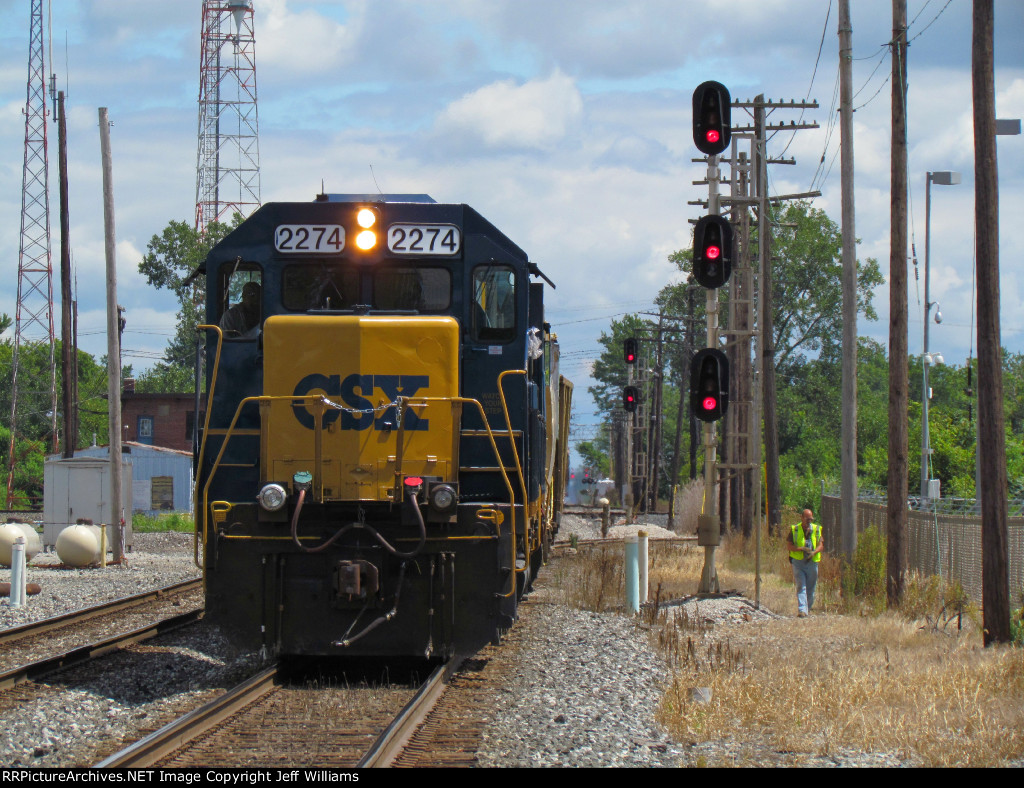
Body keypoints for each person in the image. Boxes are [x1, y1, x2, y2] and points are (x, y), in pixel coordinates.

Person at [786, 508, 824, 617]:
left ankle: (808, 607)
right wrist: (800, 548)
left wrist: (814, 552)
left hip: (812, 562)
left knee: (811, 587)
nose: (809, 520)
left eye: (811, 518)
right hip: (798, 563)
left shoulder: (816, 529)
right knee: (801, 585)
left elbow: (821, 545)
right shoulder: (795, 530)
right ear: (802, 518)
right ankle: (802, 610)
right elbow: (789, 546)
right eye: (807, 518)